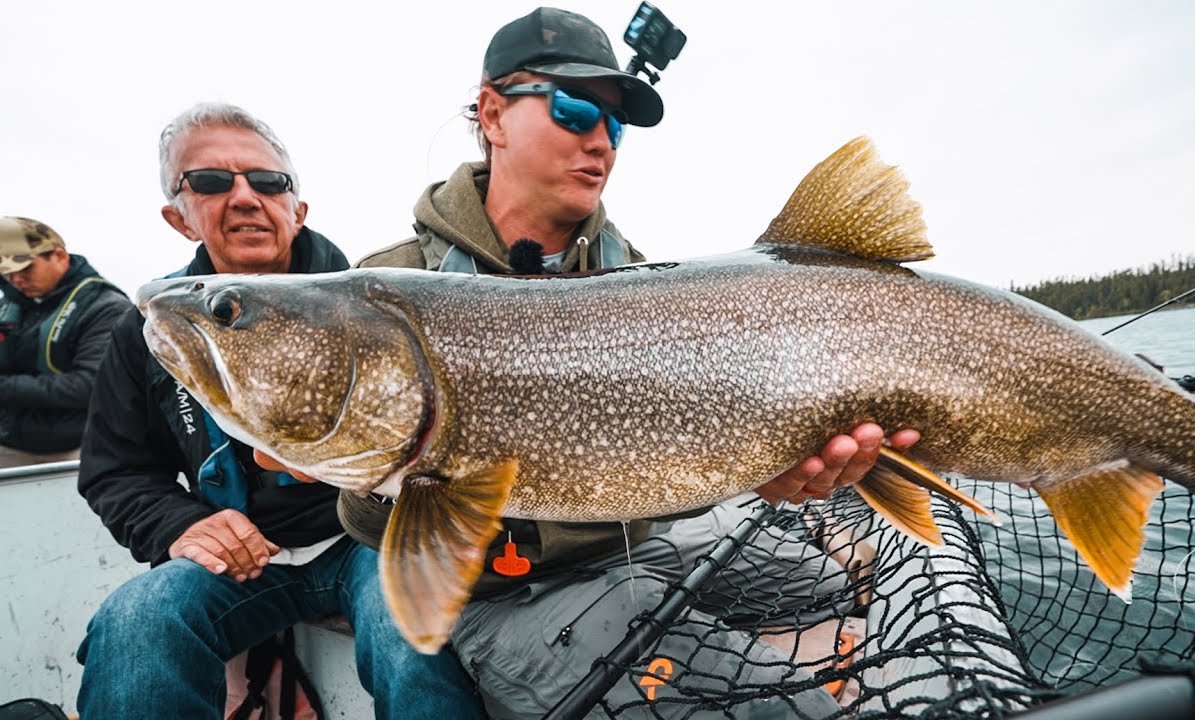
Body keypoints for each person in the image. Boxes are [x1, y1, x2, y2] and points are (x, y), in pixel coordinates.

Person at [329, 8, 920, 718]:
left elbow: (676, 458)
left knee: (833, 586)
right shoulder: (385, 291)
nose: (599, 141)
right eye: (575, 108)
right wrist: (369, 462)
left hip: (642, 544)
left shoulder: (637, 278)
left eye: (614, 123)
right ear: (492, 114)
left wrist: (775, 472)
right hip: (516, 593)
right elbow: (371, 528)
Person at [74, 102, 486, 719]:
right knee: (135, 623)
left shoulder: (376, 305)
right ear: (178, 216)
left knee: (413, 636)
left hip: (367, 537)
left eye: (269, 182)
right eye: (211, 182)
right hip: (244, 560)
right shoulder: (154, 330)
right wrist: (179, 524)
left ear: (298, 210)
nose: (244, 197)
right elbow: (114, 470)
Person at [0, 217, 130, 468]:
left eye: (25, 269)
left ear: (59, 256)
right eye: (7, 273)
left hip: (77, 448)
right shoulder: (11, 305)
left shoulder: (107, 308)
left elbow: (89, 386)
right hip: (10, 443)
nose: (16, 279)